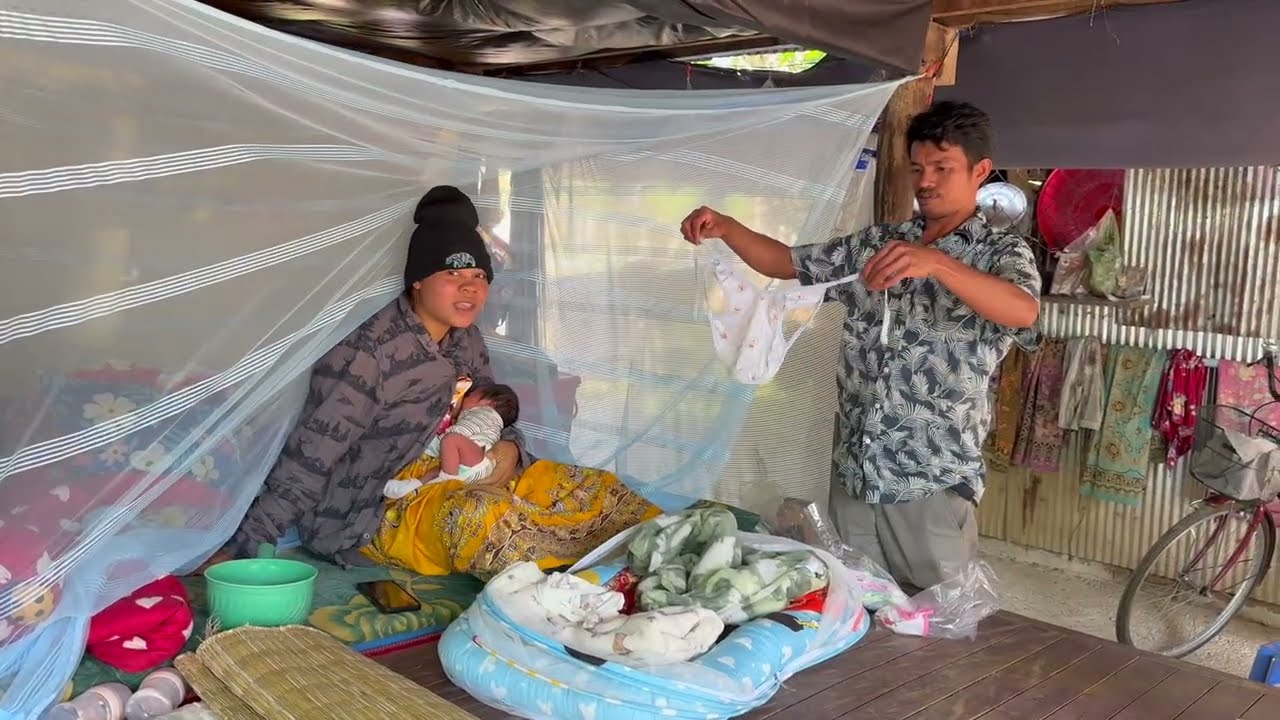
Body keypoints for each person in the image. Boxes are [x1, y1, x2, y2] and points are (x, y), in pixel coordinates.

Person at [680, 101, 1041, 590]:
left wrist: (938, 265)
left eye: (942, 168)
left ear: (979, 172)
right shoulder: (881, 245)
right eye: (917, 168)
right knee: (857, 605)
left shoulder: (1001, 251)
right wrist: (727, 227)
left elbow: (1023, 312)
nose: (926, 181)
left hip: (929, 475)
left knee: (938, 621)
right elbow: (788, 264)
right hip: (857, 465)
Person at [203, 185, 526, 569]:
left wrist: (512, 451)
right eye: (453, 273)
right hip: (370, 512)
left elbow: (494, 409)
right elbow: (314, 452)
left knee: (593, 492)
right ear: (418, 280)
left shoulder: (466, 340)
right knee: (492, 526)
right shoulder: (368, 351)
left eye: (479, 275)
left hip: (451, 479)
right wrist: (245, 546)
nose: (470, 287)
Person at [382, 382, 519, 498]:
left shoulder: (486, 414)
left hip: (478, 461)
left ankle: (444, 485)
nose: (465, 397)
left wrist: (431, 444)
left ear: (490, 404)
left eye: (469, 395)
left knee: (450, 440)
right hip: (472, 469)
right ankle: (410, 488)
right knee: (440, 469)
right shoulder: (493, 423)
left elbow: (461, 432)